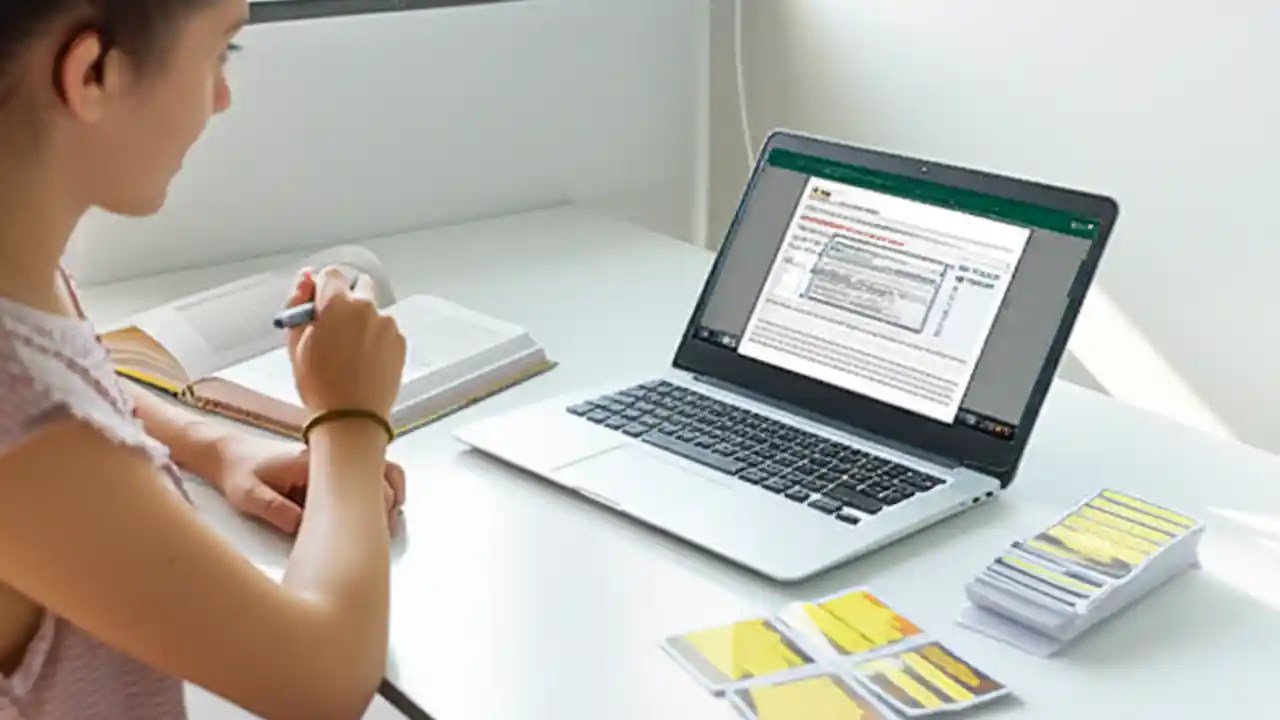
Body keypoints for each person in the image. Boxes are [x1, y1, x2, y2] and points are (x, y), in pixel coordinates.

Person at [0, 1, 409, 718]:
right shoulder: (28, 434)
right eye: (223, 53)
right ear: (93, 72)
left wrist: (210, 444)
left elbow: (75, 388)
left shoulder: (23, 269)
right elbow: (326, 675)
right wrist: (350, 417)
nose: (222, 99)